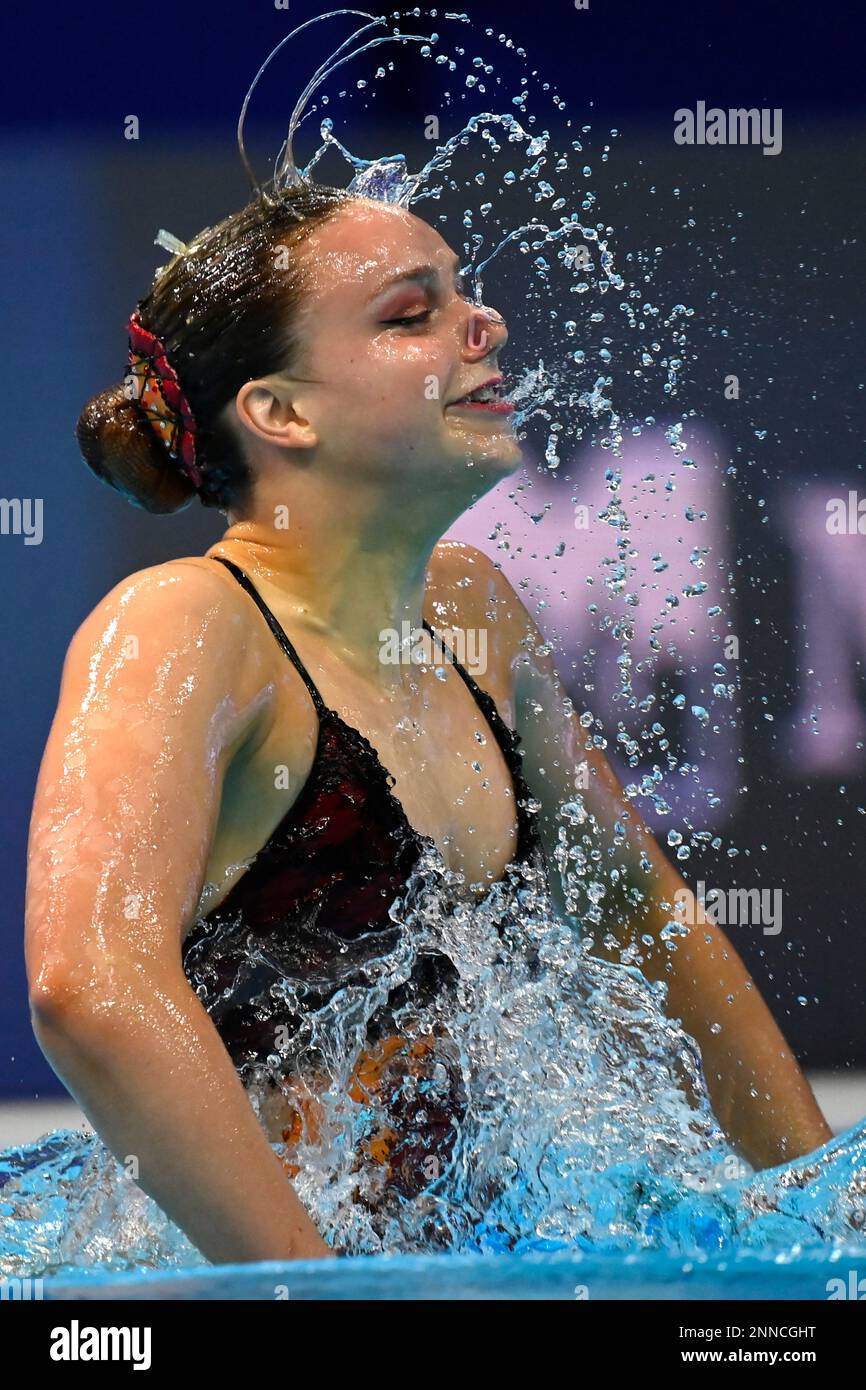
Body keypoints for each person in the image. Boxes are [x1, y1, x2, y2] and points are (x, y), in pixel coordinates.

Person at [24, 183, 832, 1267]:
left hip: (463, 1257)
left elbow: (641, 913)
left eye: (464, 294)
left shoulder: (473, 612)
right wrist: (310, 1300)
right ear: (280, 412)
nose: (482, 324)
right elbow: (90, 984)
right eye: (410, 314)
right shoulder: (185, 627)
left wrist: (811, 1212)